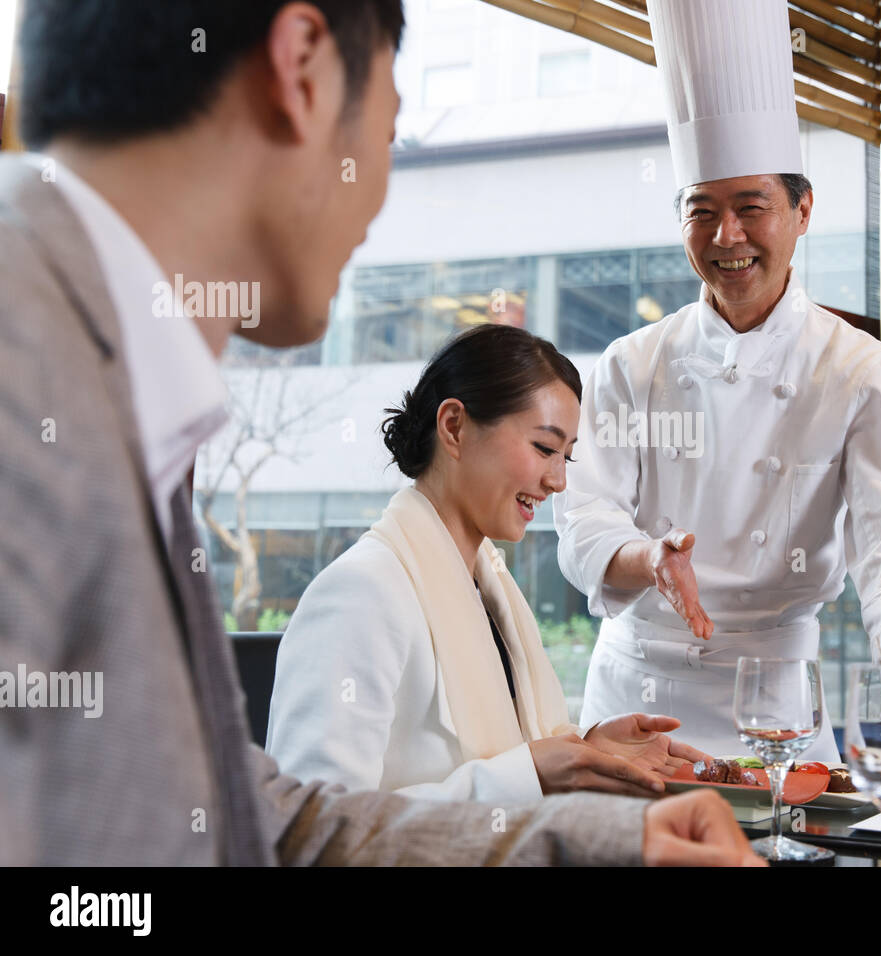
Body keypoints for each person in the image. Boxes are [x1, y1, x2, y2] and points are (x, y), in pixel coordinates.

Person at [0, 0, 761, 866]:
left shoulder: (115, 400)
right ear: (303, 68)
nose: (381, 194)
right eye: (389, 136)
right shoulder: (29, 378)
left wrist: (611, 840)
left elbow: (278, 823)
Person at [555, 0, 881, 798]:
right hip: (637, 701)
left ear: (802, 211)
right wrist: (653, 559)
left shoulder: (864, 370)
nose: (727, 237)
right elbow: (583, 515)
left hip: (776, 706)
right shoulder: (630, 362)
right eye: (701, 212)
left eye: (751, 207)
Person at [266, 324, 709, 805]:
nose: (558, 481)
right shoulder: (360, 593)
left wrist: (584, 751)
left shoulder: (489, 585)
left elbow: (505, 754)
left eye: (566, 456)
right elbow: (309, 827)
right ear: (454, 426)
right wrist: (531, 775)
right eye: (544, 448)